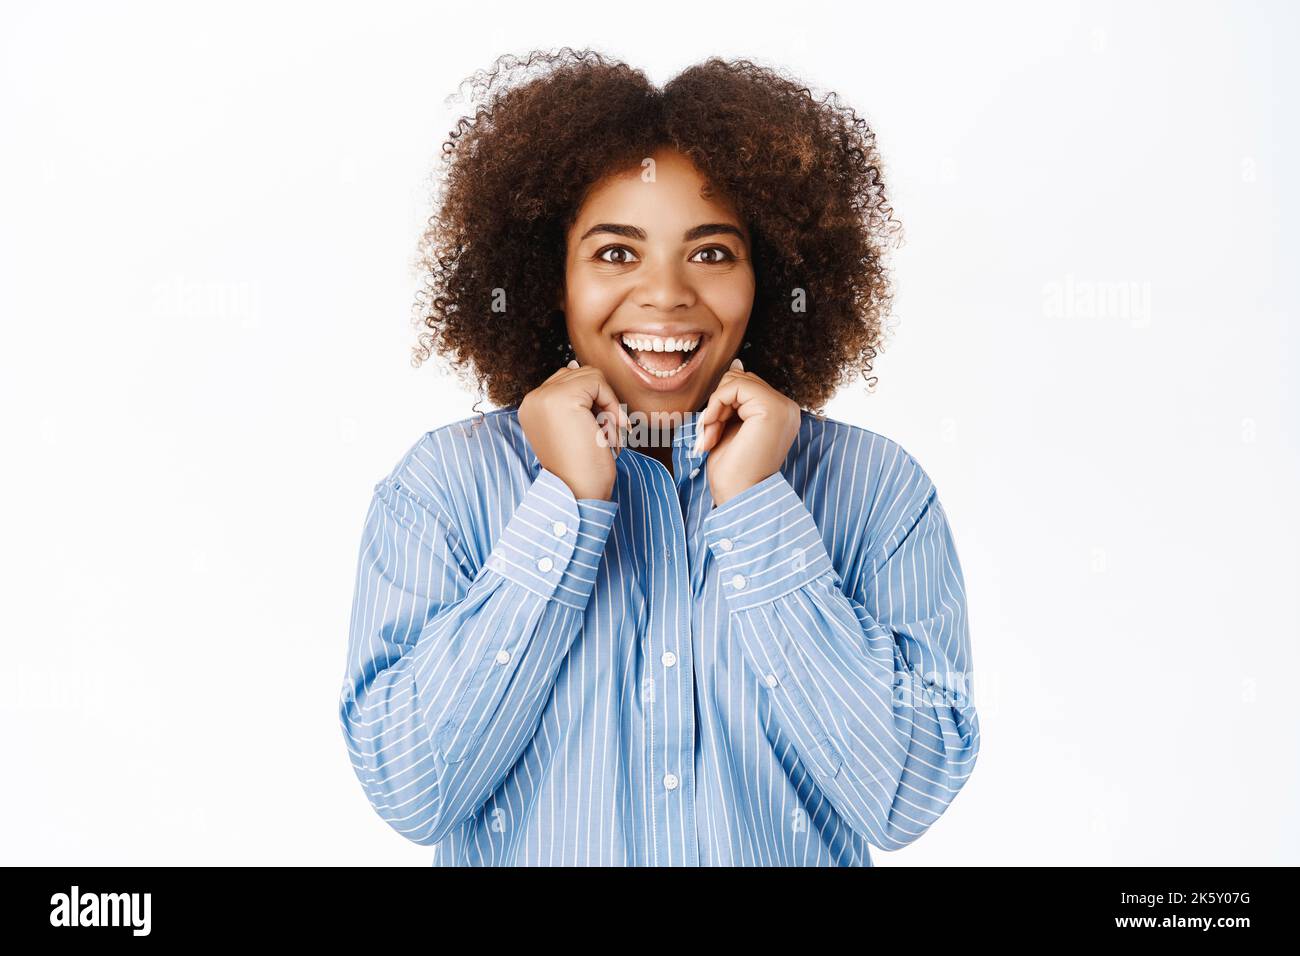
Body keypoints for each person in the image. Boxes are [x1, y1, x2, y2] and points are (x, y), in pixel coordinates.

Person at [338, 49, 980, 866]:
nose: (668, 293)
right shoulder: (442, 490)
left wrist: (756, 512)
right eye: (615, 253)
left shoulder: (878, 493)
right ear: (550, 276)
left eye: (711, 252)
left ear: (768, 272)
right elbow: (413, 791)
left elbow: (909, 794)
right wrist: (563, 509)